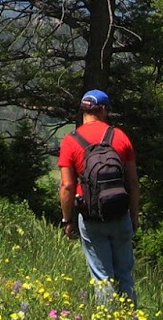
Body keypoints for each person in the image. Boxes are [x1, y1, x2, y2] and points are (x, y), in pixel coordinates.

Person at [58, 88, 140, 304]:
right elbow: (132, 182)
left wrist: (68, 220)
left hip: (91, 217)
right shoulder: (120, 137)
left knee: (102, 279)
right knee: (125, 277)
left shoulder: (70, 140)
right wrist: (134, 216)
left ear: (83, 110)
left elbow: (67, 185)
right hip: (120, 215)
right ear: (103, 110)